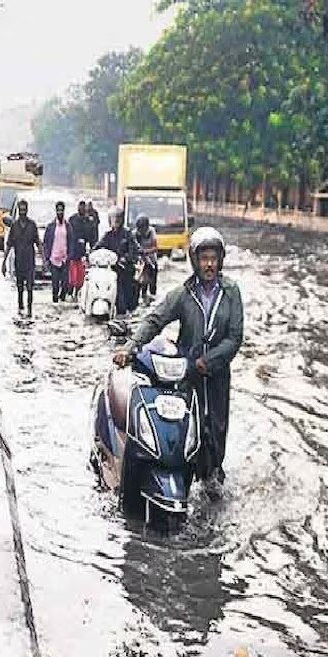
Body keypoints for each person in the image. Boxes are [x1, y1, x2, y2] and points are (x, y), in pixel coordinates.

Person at [112, 227, 243, 497]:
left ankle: (214, 476)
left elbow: (235, 337)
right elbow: (155, 319)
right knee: (187, 424)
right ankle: (183, 478)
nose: (209, 264)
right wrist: (130, 347)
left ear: (220, 260)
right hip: (188, 374)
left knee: (216, 425)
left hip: (217, 374)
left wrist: (210, 360)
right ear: (194, 261)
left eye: (213, 258)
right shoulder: (184, 294)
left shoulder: (231, 292)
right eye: (203, 258)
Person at [2, 198, 40, 317]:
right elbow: (9, 244)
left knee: (29, 287)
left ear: (27, 210)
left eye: (24, 210)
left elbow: (38, 243)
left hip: (30, 262)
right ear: (18, 210)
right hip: (19, 261)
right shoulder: (14, 226)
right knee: (19, 287)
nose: (23, 212)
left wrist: (44, 260)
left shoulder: (32, 225)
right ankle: (20, 307)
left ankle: (29, 310)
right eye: (21, 210)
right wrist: (3, 262)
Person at [96, 209, 139, 316]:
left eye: (118, 218)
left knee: (125, 292)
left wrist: (125, 258)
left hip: (125, 269)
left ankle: (123, 311)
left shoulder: (128, 234)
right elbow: (98, 247)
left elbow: (134, 250)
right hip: (110, 270)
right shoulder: (108, 235)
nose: (116, 221)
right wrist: (91, 254)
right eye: (113, 218)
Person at [42, 200, 74, 303]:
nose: (60, 212)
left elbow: (71, 242)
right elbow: (45, 243)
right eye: (58, 210)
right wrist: (47, 258)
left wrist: (70, 256)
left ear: (64, 211)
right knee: (55, 285)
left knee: (65, 284)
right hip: (54, 259)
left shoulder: (68, 227)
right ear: (56, 211)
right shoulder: (51, 227)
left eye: (61, 210)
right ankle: (55, 302)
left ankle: (62, 300)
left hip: (65, 260)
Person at [134, 215, 158, 305]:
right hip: (140, 262)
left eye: (143, 229)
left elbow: (155, 248)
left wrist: (145, 251)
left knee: (152, 281)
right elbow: (133, 247)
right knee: (140, 282)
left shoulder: (151, 232)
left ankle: (152, 297)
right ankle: (141, 297)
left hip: (151, 260)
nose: (141, 231)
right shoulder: (135, 234)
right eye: (140, 229)